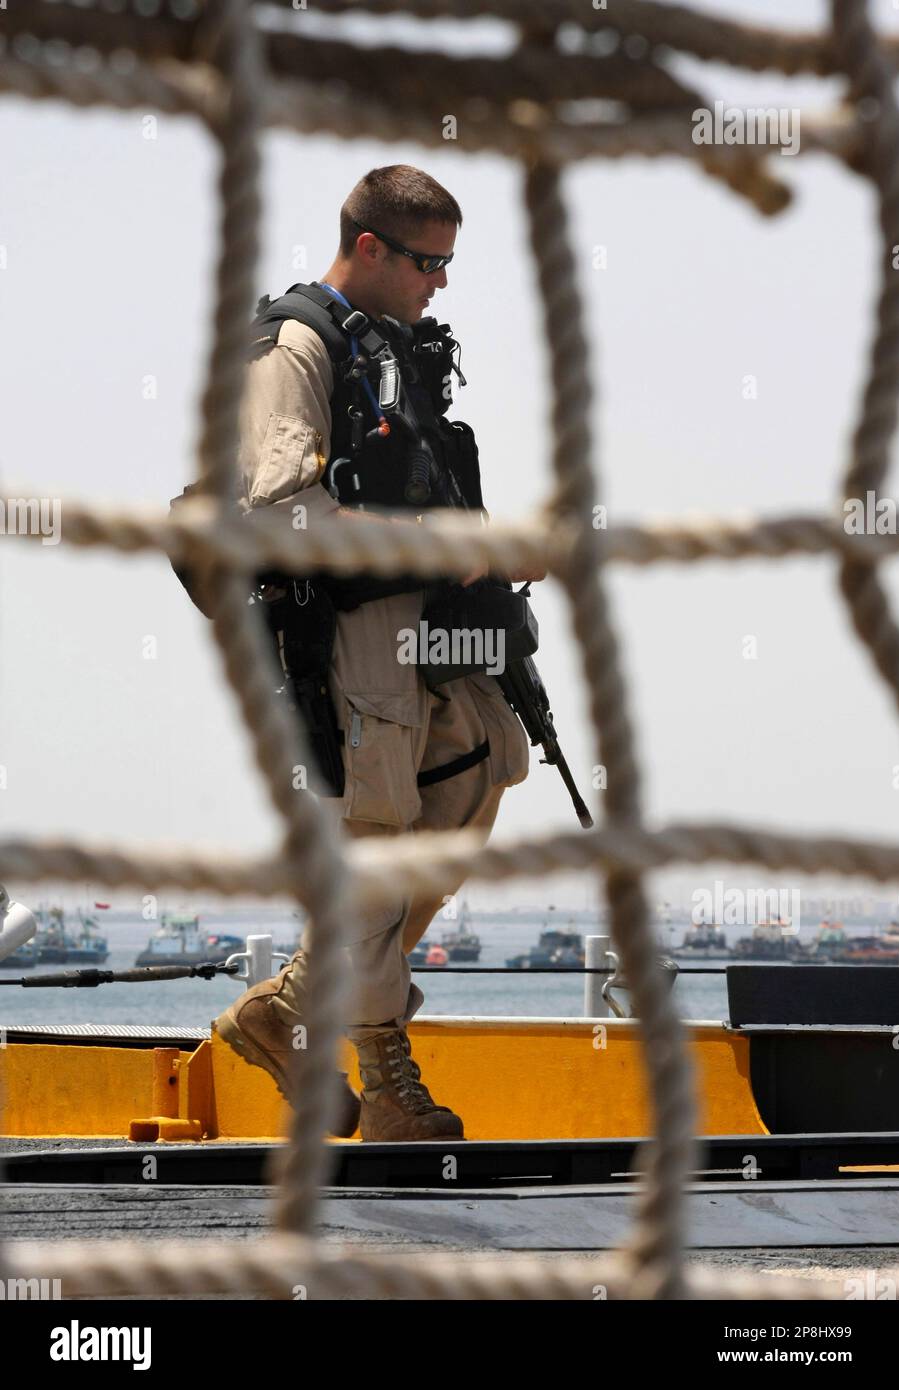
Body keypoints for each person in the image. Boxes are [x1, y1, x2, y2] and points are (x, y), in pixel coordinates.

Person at [212, 164, 546, 1142]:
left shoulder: (391, 352)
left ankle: (285, 1010)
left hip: (438, 627)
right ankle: (389, 1083)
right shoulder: (295, 347)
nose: (438, 281)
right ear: (369, 247)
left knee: (482, 772)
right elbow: (279, 512)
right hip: (351, 630)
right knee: (378, 839)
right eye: (426, 261)